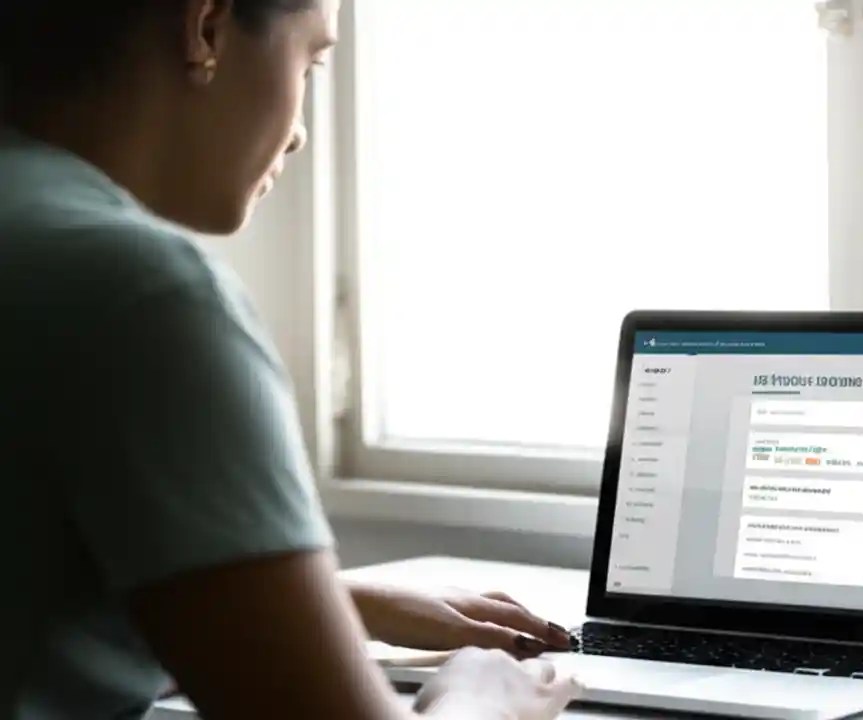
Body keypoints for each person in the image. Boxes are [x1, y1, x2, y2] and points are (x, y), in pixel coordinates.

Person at [0, 1, 581, 718]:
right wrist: (486, 698)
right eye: (311, 60)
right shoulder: (140, 295)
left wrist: (330, 603)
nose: (302, 131)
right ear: (207, 25)